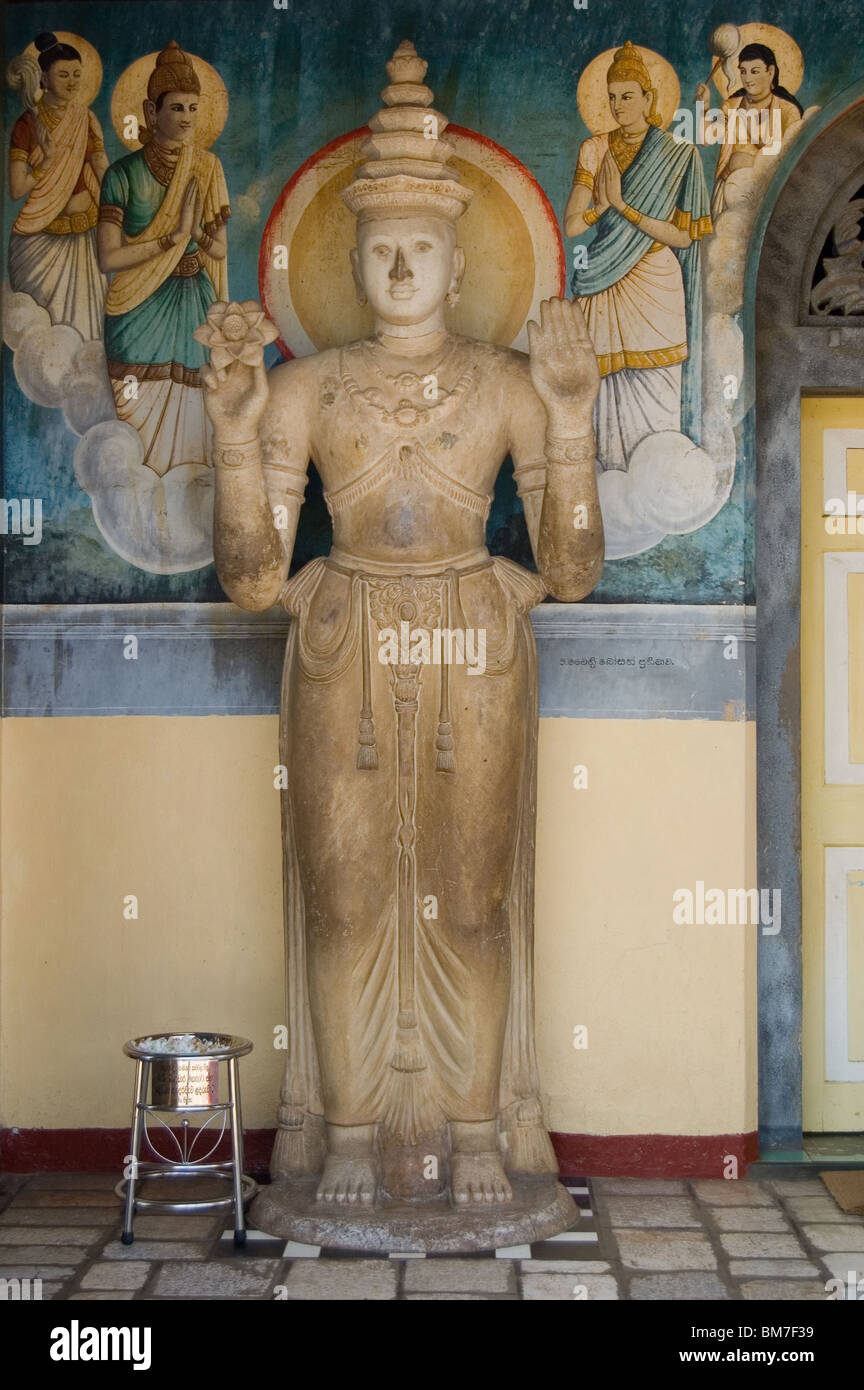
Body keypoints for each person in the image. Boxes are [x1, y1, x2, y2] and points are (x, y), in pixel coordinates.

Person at [199, 42, 604, 1218]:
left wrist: (571, 420)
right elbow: (253, 576)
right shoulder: (305, 391)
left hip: (476, 640)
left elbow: (571, 571)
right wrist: (234, 435)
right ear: (347, 255)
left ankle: (478, 1128)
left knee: (473, 897)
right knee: (345, 895)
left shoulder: (511, 380)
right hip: (342, 638)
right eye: (377, 244)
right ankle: (352, 1133)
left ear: (462, 257)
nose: (398, 263)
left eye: (422, 244)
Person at [565, 42, 711, 470]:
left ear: (649, 99)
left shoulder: (679, 154)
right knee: (603, 392)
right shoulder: (593, 149)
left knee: (655, 384)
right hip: (602, 281)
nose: (618, 106)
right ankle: (610, 487)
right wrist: (603, 206)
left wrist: (625, 206)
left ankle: (658, 479)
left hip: (655, 278)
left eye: (627, 96)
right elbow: (573, 224)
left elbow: (684, 237)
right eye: (611, 98)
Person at [98, 41, 229, 475]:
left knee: (196, 421)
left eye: (193, 108)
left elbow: (220, 250)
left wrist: (194, 236)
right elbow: (108, 258)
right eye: (177, 108)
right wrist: (170, 239)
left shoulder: (208, 168)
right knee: (137, 430)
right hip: (136, 309)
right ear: (151, 112)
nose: (187, 118)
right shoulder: (122, 174)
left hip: (194, 301)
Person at [7, 32, 109, 341]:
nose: (73, 81)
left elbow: (100, 167)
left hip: (85, 239)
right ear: (44, 80)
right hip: (42, 240)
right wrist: (45, 162)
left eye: (77, 74)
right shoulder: (27, 124)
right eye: (63, 74)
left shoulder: (85, 118)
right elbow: (16, 189)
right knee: (45, 334)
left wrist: (120, 200)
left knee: (88, 332)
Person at [710, 43, 803, 217]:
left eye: (754, 71)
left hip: (767, 194)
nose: (747, 78)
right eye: (743, 71)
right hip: (726, 191)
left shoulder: (787, 110)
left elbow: (793, 159)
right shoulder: (731, 105)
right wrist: (704, 105)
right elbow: (707, 137)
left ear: (771, 72)